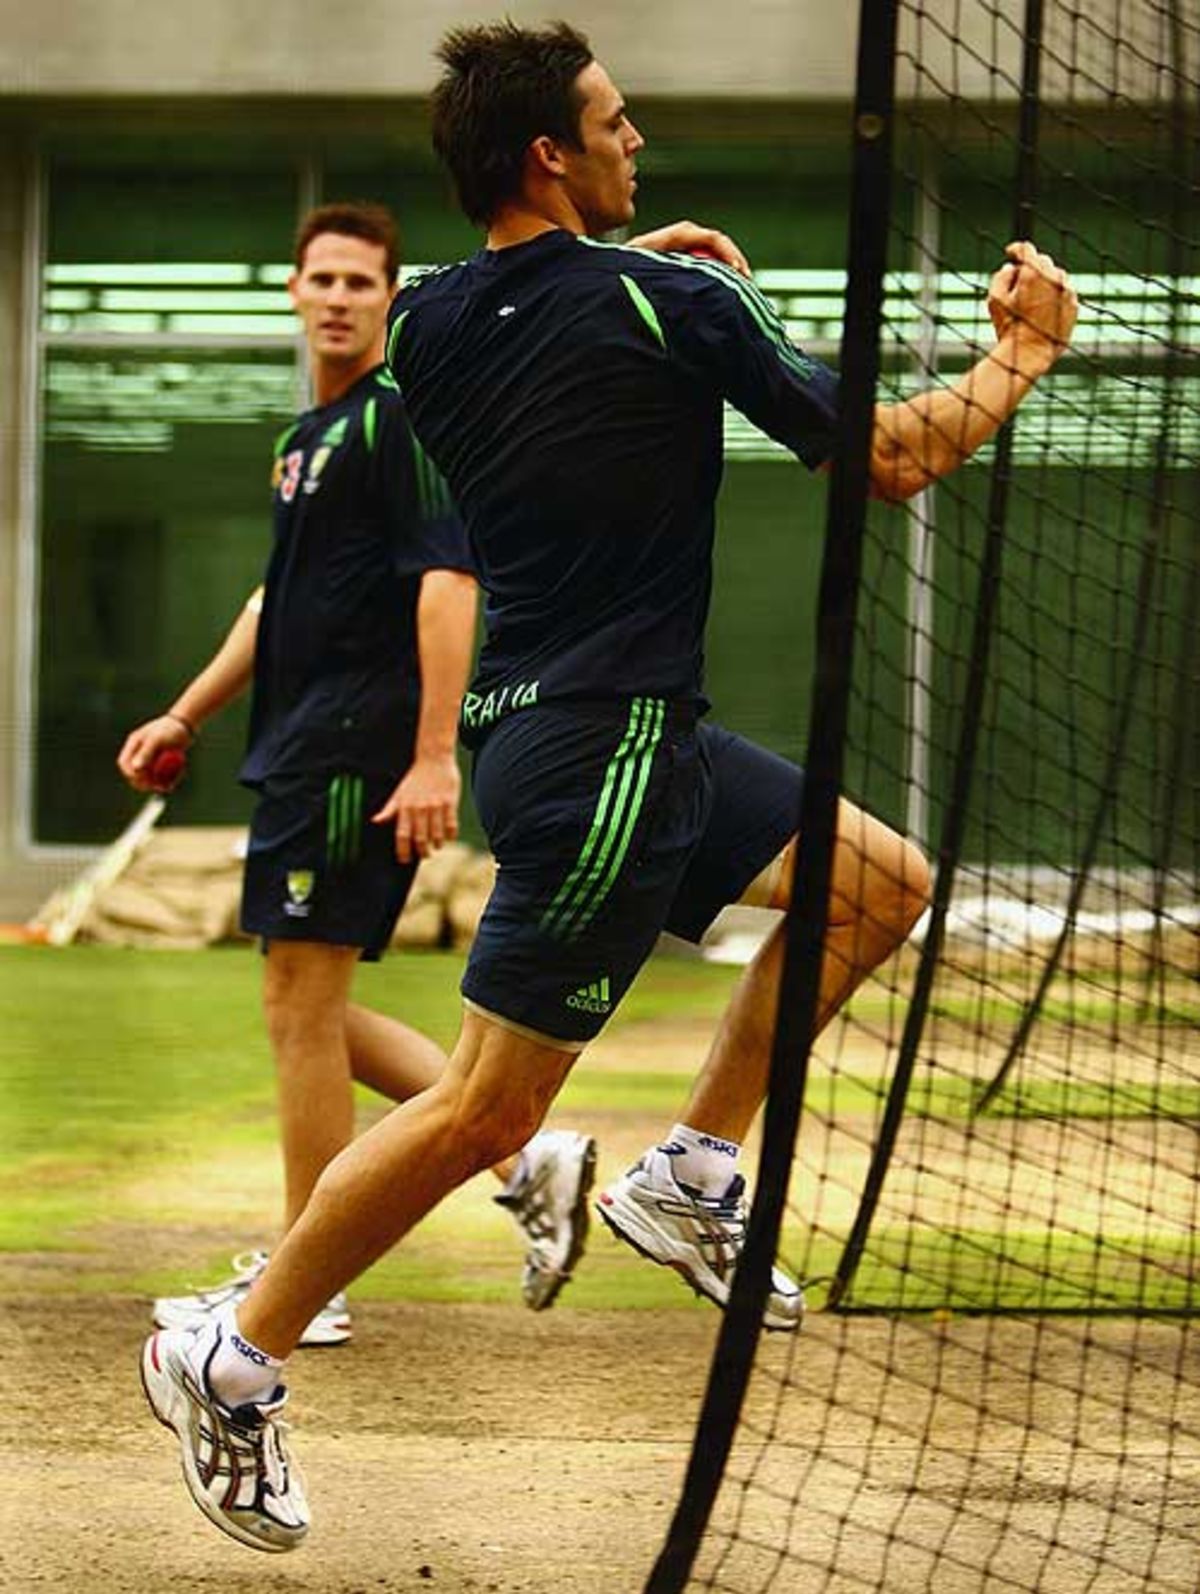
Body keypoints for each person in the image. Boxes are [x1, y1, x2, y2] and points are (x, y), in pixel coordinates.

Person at [139, 25, 1078, 1553]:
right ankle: (233, 1351)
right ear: (548, 157)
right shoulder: (671, 297)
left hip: (600, 734)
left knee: (881, 883)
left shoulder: (434, 320)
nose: (639, 139)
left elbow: (547, 311)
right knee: (483, 1107)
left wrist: (622, 259)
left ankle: (693, 1168)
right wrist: (1021, 351)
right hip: (608, 746)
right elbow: (892, 457)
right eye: (615, 122)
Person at [118, 201, 599, 1345]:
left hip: (351, 749)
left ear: (388, 296)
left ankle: (306, 1274)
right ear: (294, 291)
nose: (337, 296)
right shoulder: (303, 440)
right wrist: (184, 712)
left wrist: (434, 754)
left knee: (300, 1004)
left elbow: (449, 586)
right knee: (307, 1007)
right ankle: (528, 1155)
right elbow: (269, 603)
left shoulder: (400, 422)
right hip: (293, 746)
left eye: (359, 281)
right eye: (320, 278)